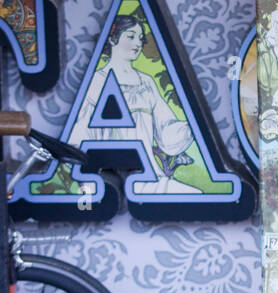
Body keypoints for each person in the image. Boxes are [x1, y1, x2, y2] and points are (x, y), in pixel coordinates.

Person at [78, 15, 194, 189]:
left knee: (192, 193)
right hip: (105, 179)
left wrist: (195, 123)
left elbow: (167, 133)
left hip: (147, 177)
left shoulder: (146, 82)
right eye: (130, 36)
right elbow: (80, 138)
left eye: (140, 38)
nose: (137, 43)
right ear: (112, 38)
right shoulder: (96, 81)